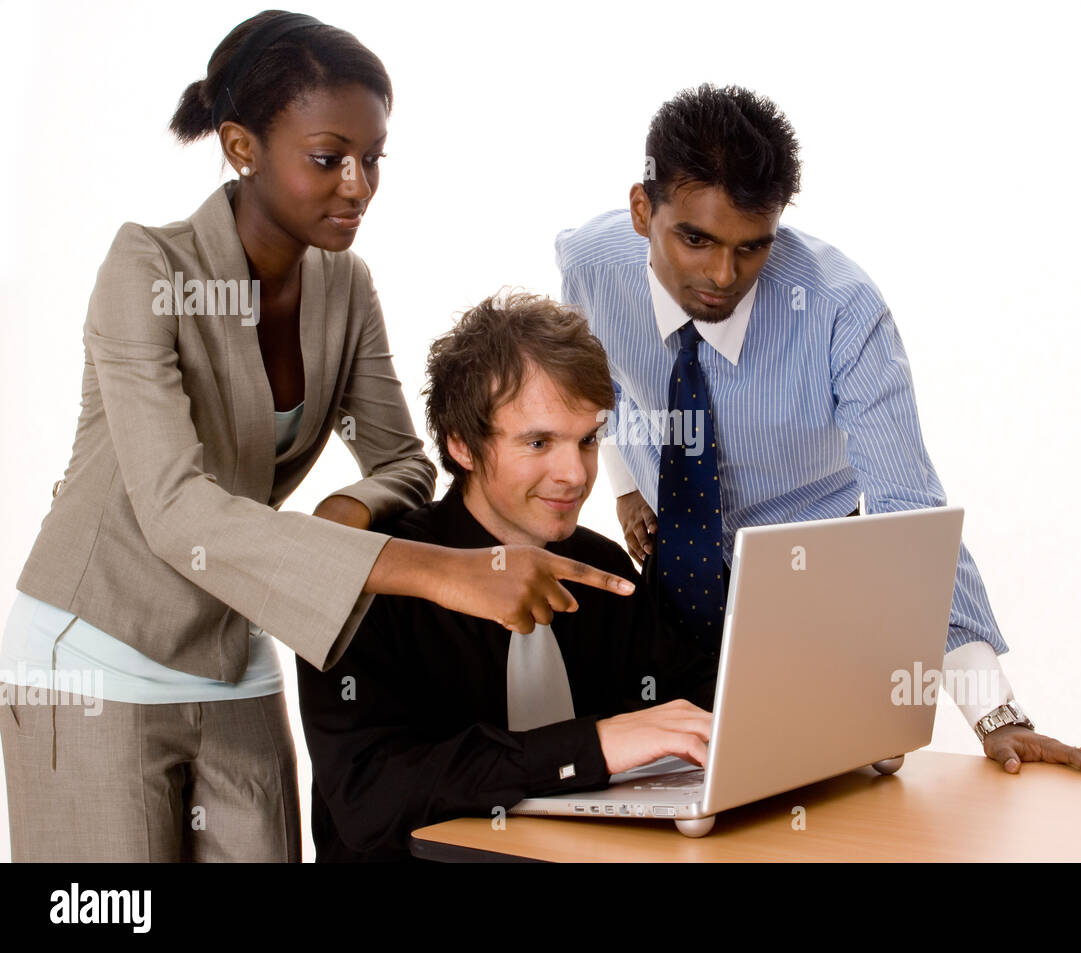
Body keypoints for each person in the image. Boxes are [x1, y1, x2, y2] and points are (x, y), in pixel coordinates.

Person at [0, 11, 630, 863]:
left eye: (373, 159)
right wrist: (451, 574)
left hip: (233, 643)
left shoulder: (344, 283)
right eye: (329, 158)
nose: (358, 185)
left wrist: (347, 507)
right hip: (98, 647)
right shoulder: (148, 269)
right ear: (242, 146)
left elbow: (405, 459)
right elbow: (179, 513)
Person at [557, 83, 1081, 778]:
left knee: (832, 784)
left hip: (811, 593)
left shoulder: (840, 312)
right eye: (695, 239)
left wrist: (996, 713)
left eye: (752, 247)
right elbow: (596, 377)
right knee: (672, 784)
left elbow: (909, 510)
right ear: (642, 209)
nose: (721, 274)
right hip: (672, 586)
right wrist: (624, 484)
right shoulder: (592, 261)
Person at [296, 292, 717, 862]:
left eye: (588, 440)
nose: (574, 475)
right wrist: (589, 747)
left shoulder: (604, 571)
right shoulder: (375, 582)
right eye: (539, 442)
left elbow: (695, 700)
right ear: (462, 445)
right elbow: (371, 799)